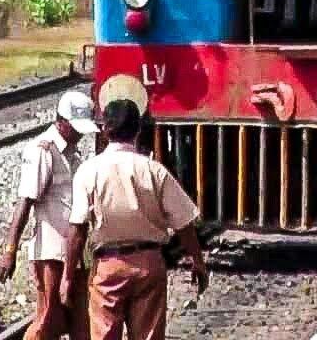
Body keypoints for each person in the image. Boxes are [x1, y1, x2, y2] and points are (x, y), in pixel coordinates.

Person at [62, 99, 209, 340]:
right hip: (149, 264)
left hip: (107, 265)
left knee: (104, 334)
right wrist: (198, 262)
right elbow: (184, 224)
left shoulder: (88, 171)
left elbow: (77, 229)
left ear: (105, 129)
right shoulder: (154, 170)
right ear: (138, 130)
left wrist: (68, 277)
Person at [0, 91, 99, 340]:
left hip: (76, 252)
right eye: (76, 128)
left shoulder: (72, 153)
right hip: (52, 252)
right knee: (48, 319)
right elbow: (26, 201)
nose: (80, 134)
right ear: (61, 121)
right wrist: (10, 250)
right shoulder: (42, 151)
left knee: (81, 321)